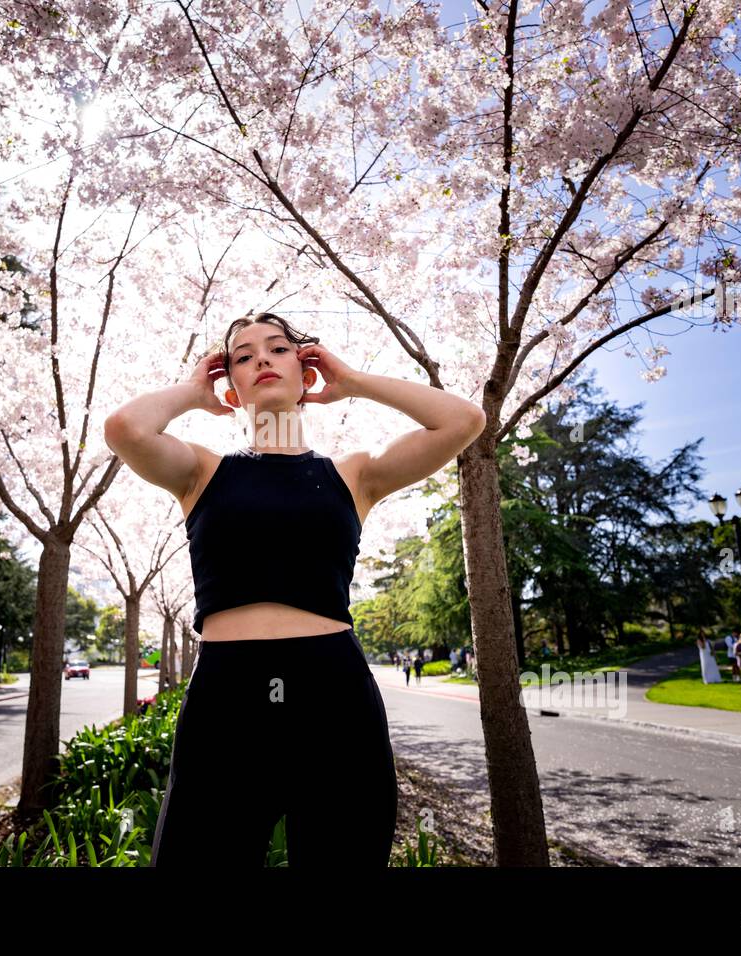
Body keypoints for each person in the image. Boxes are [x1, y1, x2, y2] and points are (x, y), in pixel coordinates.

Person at [105, 312, 486, 866]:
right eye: (242, 355)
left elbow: (462, 420)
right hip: (227, 697)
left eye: (278, 348)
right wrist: (191, 391)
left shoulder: (353, 474)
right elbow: (125, 429)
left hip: (333, 695)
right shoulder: (201, 471)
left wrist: (351, 380)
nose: (261, 358)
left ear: (306, 373)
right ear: (229, 387)